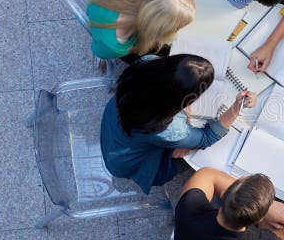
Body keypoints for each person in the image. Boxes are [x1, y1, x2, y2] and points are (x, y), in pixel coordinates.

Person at [100, 55, 256, 193]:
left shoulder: (149, 62)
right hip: (131, 160)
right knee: (190, 154)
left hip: (115, 127)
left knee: (181, 147)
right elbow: (206, 138)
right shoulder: (170, 130)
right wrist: (237, 107)